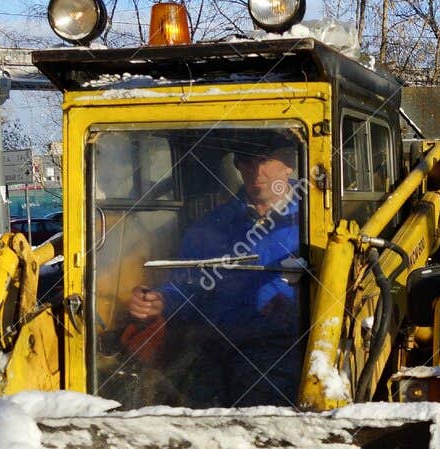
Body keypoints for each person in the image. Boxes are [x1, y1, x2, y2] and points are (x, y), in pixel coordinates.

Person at [119, 134, 303, 405]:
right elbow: (187, 284)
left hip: (286, 347)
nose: (256, 171)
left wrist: (296, 306)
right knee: (160, 399)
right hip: (218, 346)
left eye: (264, 160)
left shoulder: (315, 222)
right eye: (246, 161)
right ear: (238, 166)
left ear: (288, 164)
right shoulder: (212, 226)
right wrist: (161, 300)